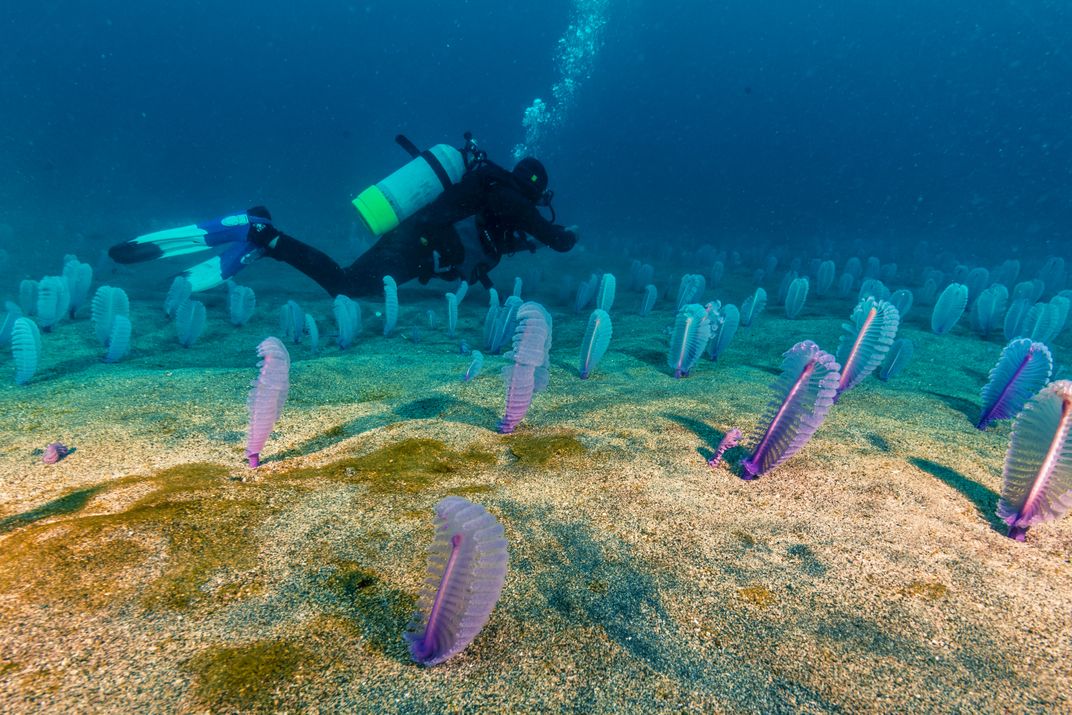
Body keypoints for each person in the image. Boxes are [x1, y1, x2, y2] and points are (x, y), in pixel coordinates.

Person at [109, 138, 579, 297]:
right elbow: (544, 232)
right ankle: (262, 234)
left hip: (418, 244)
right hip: (416, 245)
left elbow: (499, 236)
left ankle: (262, 232)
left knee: (348, 282)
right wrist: (562, 236)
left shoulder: (493, 192)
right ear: (533, 190)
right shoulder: (506, 195)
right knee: (346, 285)